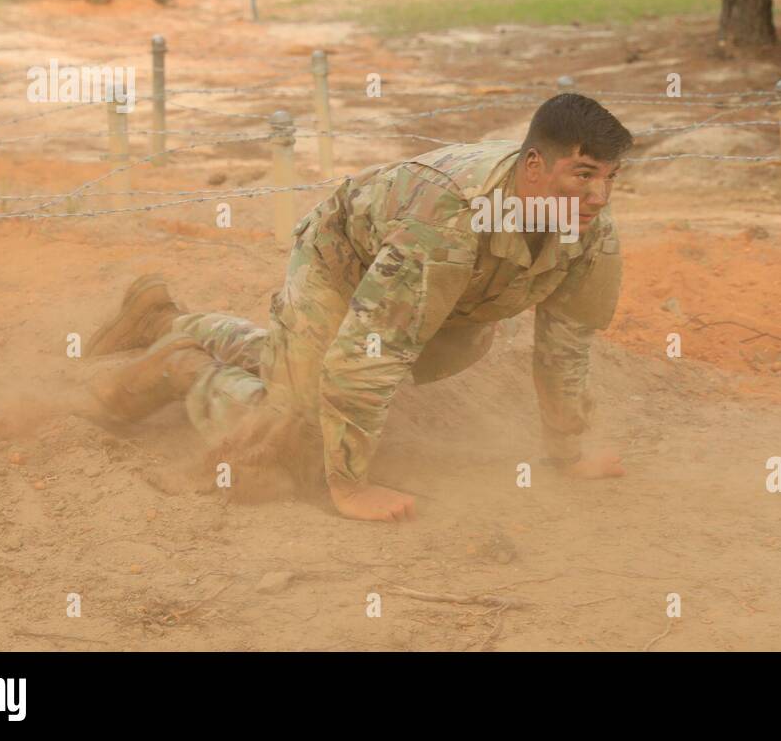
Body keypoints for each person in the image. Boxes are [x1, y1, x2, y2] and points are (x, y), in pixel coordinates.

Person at [85, 93, 631, 521]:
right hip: (340, 266)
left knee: (456, 342)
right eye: (583, 175)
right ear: (534, 166)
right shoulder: (447, 220)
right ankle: (185, 363)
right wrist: (348, 483)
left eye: (609, 179)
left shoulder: (590, 232)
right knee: (292, 443)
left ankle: (165, 319)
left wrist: (567, 452)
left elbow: (565, 350)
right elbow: (369, 353)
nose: (599, 198)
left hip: (433, 296)